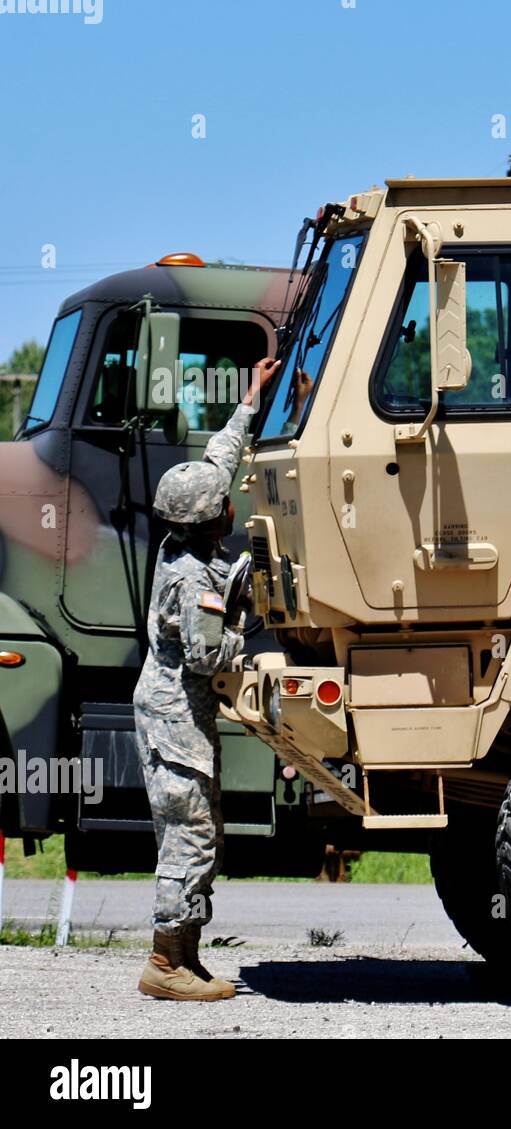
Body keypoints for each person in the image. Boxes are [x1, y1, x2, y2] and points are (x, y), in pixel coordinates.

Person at [134, 358, 279, 1001]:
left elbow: (218, 460)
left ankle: (186, 960)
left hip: (176, 716)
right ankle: (165, 967)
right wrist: (246, 628)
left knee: (200, 828)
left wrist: (250, 397)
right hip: (174, 718)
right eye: (225, 506)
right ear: (208, 521)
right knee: (188, 833)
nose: (231, 505)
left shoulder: (187, 538)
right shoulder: (193, 582)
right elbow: (206, 658)